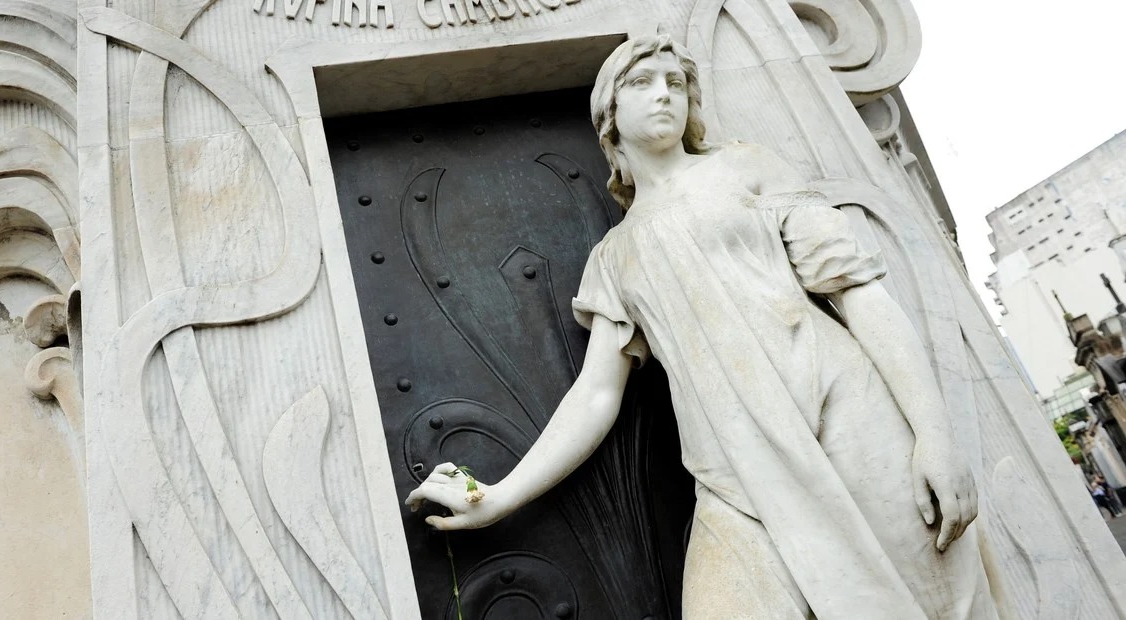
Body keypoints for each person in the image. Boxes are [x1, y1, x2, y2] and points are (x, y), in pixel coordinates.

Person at [406, 35, 997, 619]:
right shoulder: (614, 257)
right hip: (733, 472)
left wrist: (934, 435)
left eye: (676, 82)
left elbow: (859, 293)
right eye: (642, 82)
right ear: (609, 114)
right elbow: (595, 395)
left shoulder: (746, 168)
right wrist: (499, 497)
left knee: (940, 603)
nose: (664, 94)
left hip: (848, 421)